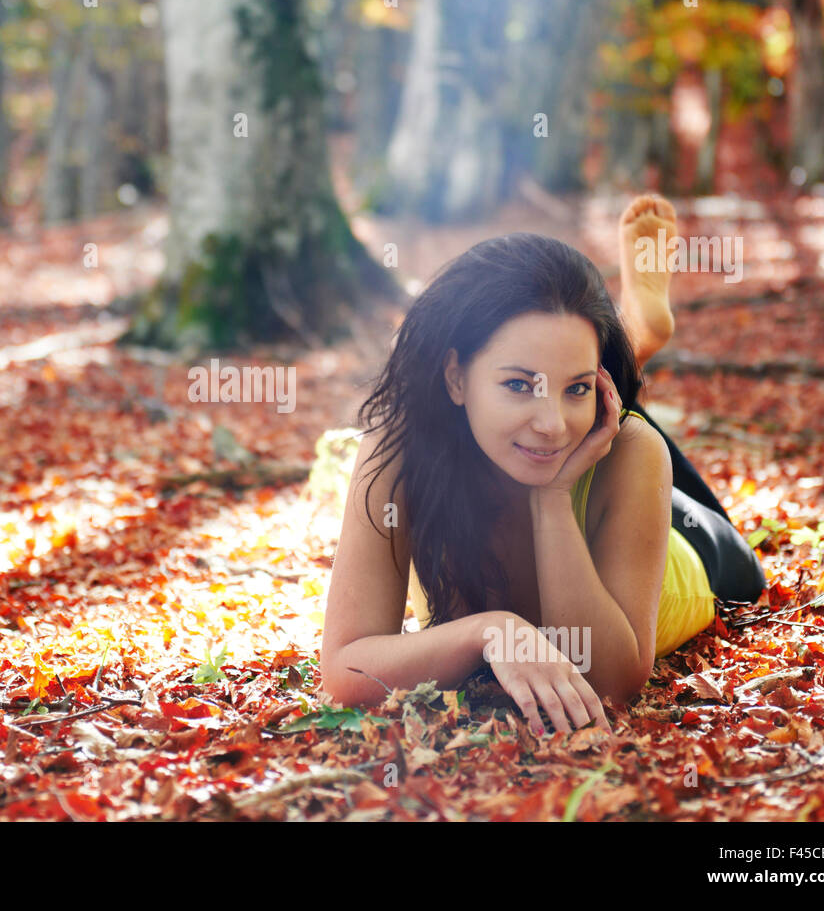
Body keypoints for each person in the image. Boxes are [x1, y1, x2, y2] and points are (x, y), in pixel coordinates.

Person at [319, 195, 767, 735]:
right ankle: (620, 358)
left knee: (624, 435)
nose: (552, 423)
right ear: (455, 377)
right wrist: (492, 632)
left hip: (688, 549)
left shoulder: (629, 451)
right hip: (540, 447)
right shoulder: (398, 450)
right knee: (573, 422)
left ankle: (625, 362)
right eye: (517, 383)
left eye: (577, 385)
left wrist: (553, 499)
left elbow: (610, 682)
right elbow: (345, 669)